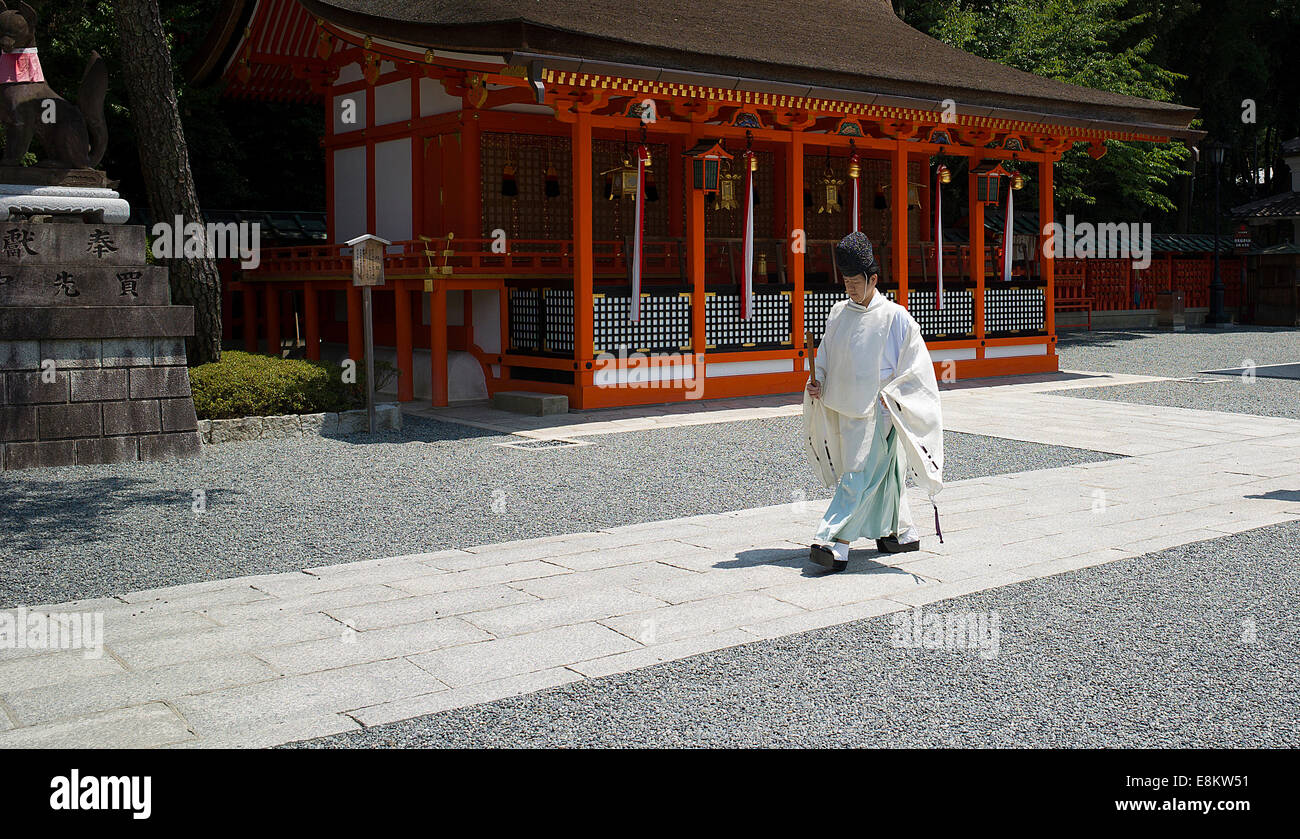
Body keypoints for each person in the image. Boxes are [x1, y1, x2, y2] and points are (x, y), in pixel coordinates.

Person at [803, 231, 945, 572]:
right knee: (888, 473)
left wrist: (894, 396)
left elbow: (916, 369)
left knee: (859, 475)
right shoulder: (839, 313)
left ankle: (836, 542)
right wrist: (817, 379)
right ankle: (901, 531)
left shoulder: (897, 318)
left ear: (873, 279)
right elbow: (825, 355)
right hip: (845, 408)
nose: (850, 288)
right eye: (847, 281)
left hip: (879, 410)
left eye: (856, 282)